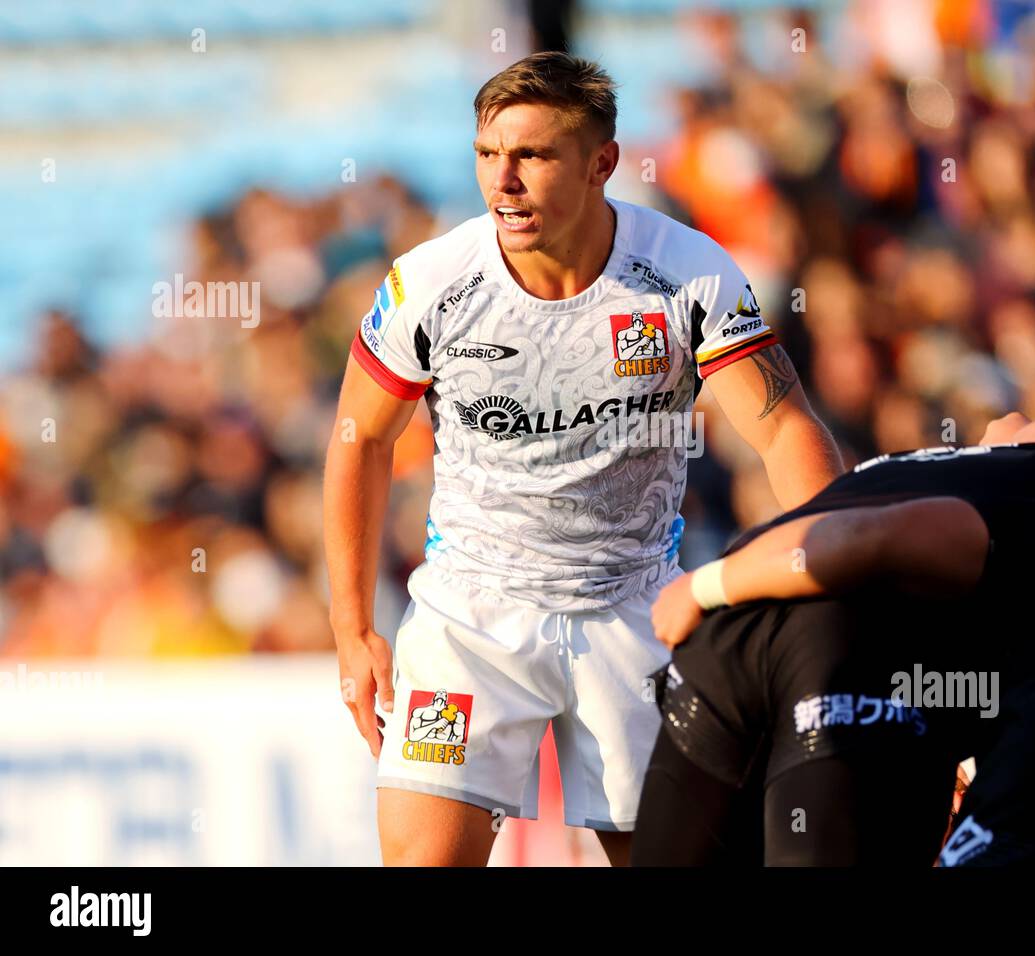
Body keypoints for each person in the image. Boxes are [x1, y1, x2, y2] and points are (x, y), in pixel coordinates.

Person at [322, 51, 842, 866]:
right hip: (471, 619)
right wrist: (353, 629)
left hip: (634, 610)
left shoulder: (685, 275)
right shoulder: (431, 283)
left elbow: (782, 430)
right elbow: (360, 439)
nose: (505, 181)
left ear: (602, 164)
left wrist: (833, 588)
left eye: (533, 155)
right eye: (489, 155)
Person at [632, 386, 1035, 865]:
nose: (1013, 419)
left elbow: (884, 535)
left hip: (769, 628)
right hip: (831, 637)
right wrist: (714, 583)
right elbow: (877, 539)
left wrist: (713, 583)